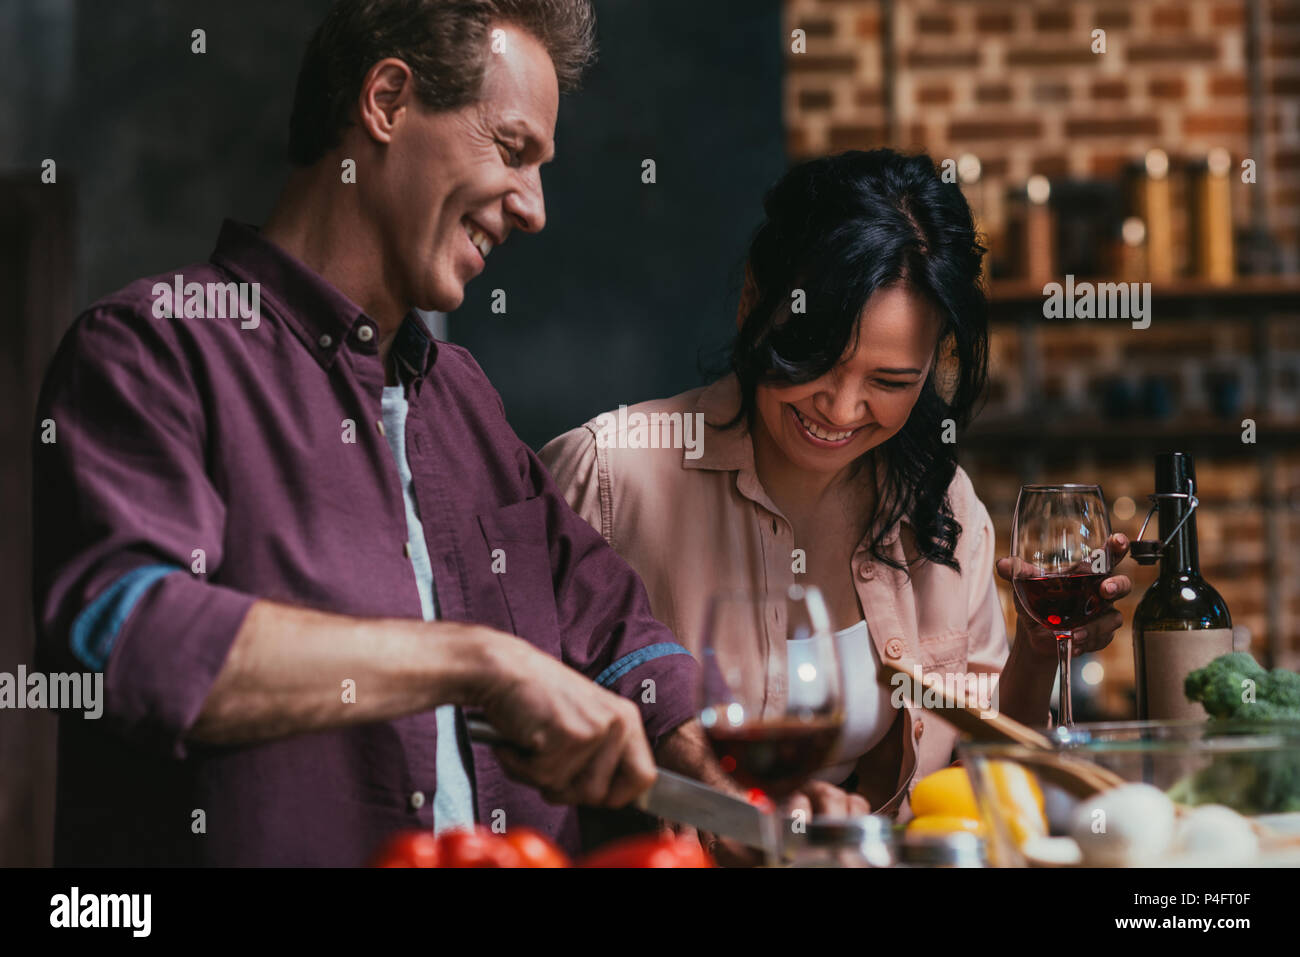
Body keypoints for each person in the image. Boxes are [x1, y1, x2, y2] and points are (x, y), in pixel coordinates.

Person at [32, 0, 731, 866]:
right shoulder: (149, 350)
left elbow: (606, 614)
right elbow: (134, 641)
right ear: (389, 101)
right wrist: (474, 661)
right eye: (513, 150)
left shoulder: (465, 399)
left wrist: (697, 757)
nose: (535, 207)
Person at [541, 149, 1133, 815]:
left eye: (890, 382)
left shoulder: (943, 507)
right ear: (753, 303)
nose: (842, 409)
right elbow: (504, 738)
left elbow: (985, 775)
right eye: (817, 358)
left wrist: (1035, 649)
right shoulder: (610, 477)